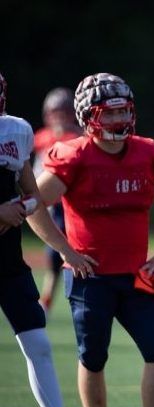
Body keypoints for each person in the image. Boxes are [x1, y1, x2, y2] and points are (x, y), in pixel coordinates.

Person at [35, 72, 154, 407]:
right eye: (111, 113)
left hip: (139, 274)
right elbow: (33, 204)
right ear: (89, 116)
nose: (120, 120)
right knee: (94, 355)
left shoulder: (148, 153)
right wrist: (64, 251)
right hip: (91, 276)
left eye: (125, 111)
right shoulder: (72, 156)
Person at [0, 71, 107, 407]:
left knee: (39, 346)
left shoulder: (16, 131)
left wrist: (66, 248)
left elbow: (32, 195)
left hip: (9, 260)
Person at [32, 87, 82, 314]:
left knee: (58, 253)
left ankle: (49, 301)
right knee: (52, 252)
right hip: (46, 201)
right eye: (54, 111)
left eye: (63, 111)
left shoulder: (78, 138)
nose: (59, 116)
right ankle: (47, 300)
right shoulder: (41, 137)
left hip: (68, 202)